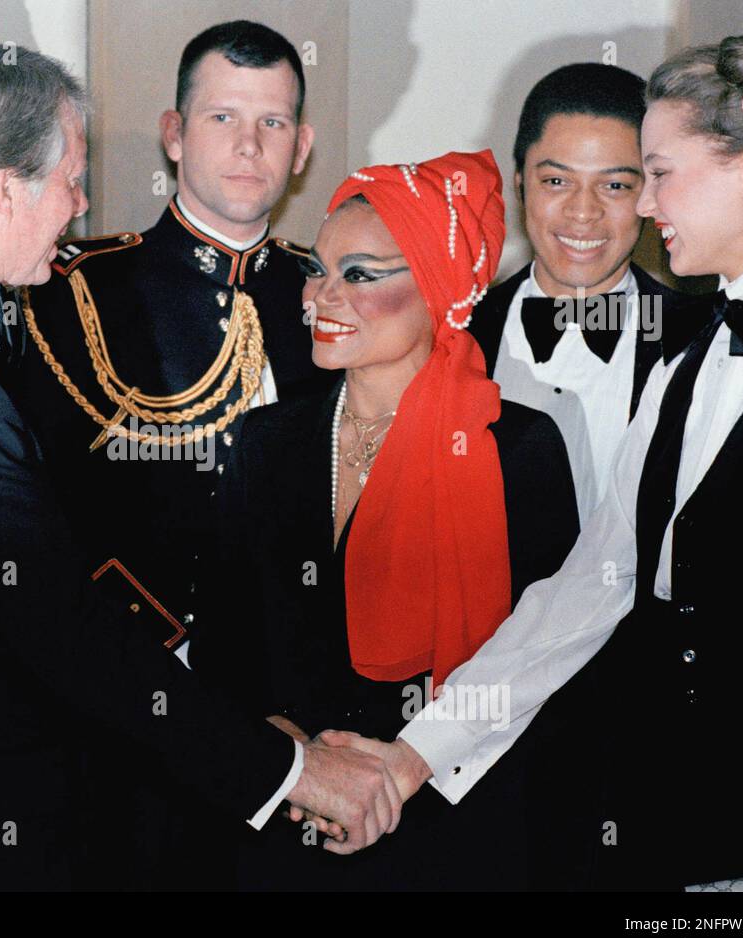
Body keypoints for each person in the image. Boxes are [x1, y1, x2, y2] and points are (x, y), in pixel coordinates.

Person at [0, 43, 400, 892]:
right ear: (4, 188)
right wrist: (291, 773)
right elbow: (66, 632)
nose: (79, 206)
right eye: (71, 181)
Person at [344, 35, 743, 891]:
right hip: (648, 830)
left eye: (649, 175)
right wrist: (413, 756)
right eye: (559, 179)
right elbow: (594, 583)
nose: (625, 207)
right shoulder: (695, 364)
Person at [193, 151, 579, 889]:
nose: (319, 296)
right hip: (288, 824)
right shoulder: (268, 440)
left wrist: (397, 777)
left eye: (361, 274)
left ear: (435, 287)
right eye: (317, 268)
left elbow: (542, 672)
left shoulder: (517, 449)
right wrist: (290, 754)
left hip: (450, 839)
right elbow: (222, 645)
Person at [16, 20, 330, 888]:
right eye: (223, 117)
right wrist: (176, 664)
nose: (248, 144)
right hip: (137, 705)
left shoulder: (330, 291)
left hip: (308, 717)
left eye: (272, 123)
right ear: (174, 132)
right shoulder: (73, 289)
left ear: (301, 147)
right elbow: (45, 512)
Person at [469, 63, 707, 524]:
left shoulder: (701, 339)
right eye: (557, 181)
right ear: (519, 183)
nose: (583, 212)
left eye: (615, 185)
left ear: (650, 194)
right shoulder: (454, 333)